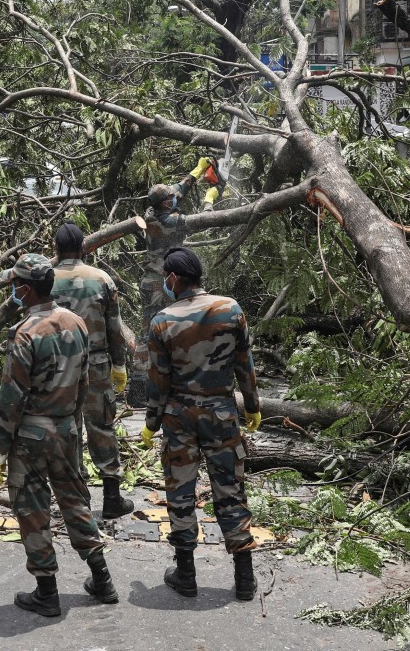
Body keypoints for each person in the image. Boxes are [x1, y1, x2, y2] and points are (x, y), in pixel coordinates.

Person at [0, 254, 117, 617]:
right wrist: (73, 420)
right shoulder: (76, 322)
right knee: (75, 500)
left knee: (32, 510)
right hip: (66, 427)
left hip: (31, 433)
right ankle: (102, 580)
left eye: (15, 284)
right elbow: (84, 379)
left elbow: (12, 396)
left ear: (25, 290)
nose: (13, 289)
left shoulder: (25, 333)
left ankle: (46, 592)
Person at [142, 246, 262, 602]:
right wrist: (252, 406)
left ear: (174, 279)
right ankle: (244, 578)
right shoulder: (231, 308)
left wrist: (151, 422)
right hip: (223, 414)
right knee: (230, 491)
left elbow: (158, 381)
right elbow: (245, 363)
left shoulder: (162, 321)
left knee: (180, 493)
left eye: (166, 277)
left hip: (179, 419)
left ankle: (186, 574)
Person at [49, 222, 134, 519]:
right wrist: (120, 365)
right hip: (95, 363)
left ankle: (76, 500)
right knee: (101, 426)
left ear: (56, 249)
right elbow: (114, 329)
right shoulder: (102, 278)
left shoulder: (44, 279)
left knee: (66, 429)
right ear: (84, 247)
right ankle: (112, 498)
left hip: (56, 366)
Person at [137, 157, 214, 364]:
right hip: (157, 283)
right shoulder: (165, 222)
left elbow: (180, 189)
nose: (174, 198)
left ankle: (171, 368)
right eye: (170, 198)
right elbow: (202, 222)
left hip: (164, 278)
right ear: (165, 203)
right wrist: (210, 199)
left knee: (171, 325)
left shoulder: (155, 208)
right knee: (151, 330)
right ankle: (141, 377)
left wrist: (200, 168)